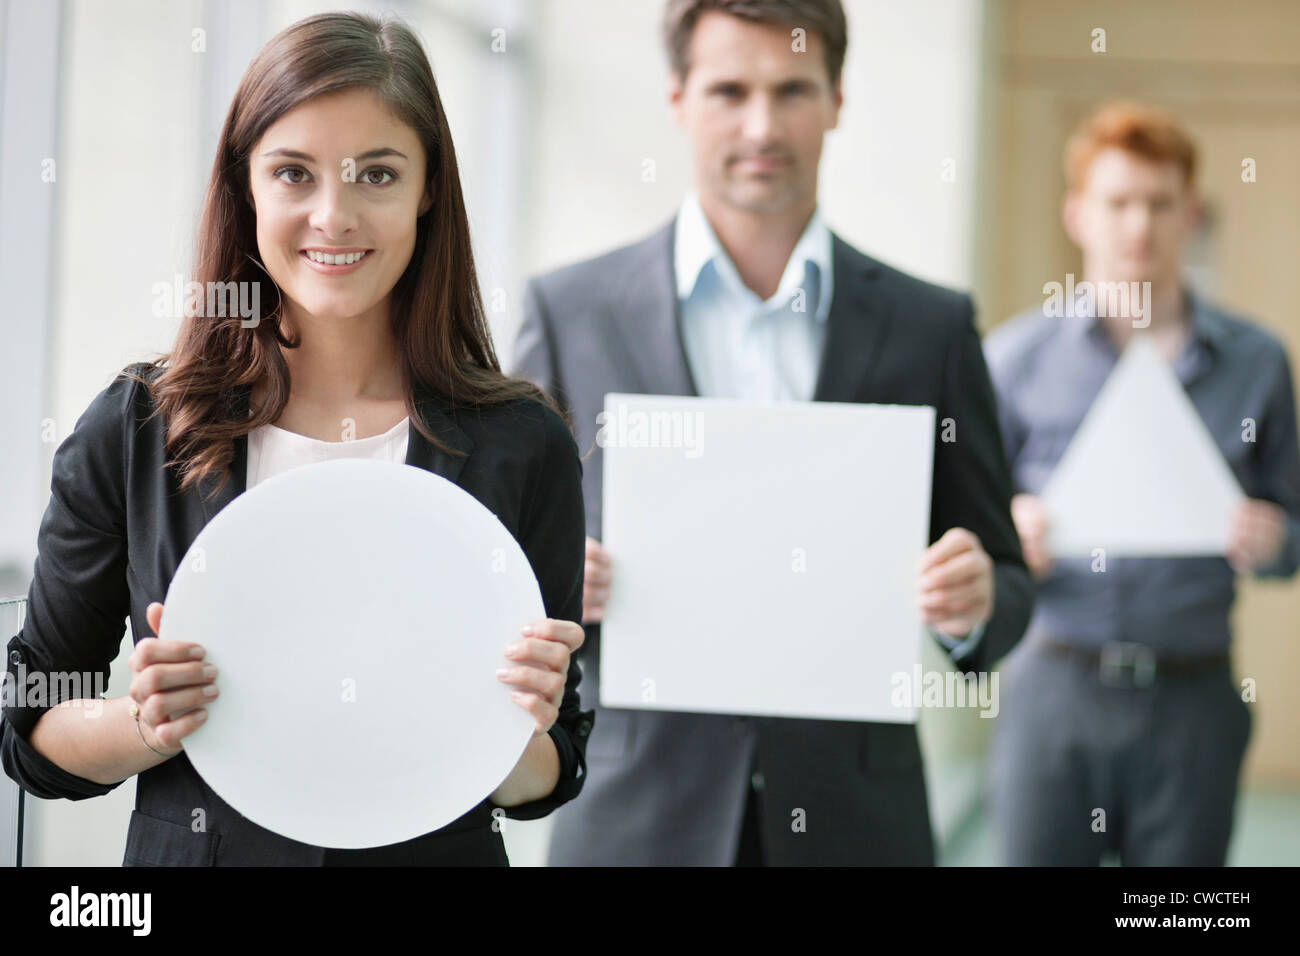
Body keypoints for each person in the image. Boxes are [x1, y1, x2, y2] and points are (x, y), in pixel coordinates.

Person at [0, 11, 592, 867]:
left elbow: (552, 770)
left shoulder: (522, 444)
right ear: (246, 188)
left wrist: (506, 731)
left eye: (376, 175)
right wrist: (144, 722)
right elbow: (29, 733)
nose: (332, 215)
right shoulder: (135, 430)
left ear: (429, 189)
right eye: (293, 173)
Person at [512, 0, 1033, 865]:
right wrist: (562, 587)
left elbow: (1008, 582)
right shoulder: (571, 313)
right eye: (729, 90)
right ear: (678, 99)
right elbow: (504, 575)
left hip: (856, 820)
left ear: (836, 100)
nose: (761, 125)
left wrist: (975, 603)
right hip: (638, 814)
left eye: (792, 90)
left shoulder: (928, 327)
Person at [983, 101, 1300, 865]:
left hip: (1192, 697)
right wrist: (1006, 533)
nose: (1138, 226)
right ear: (1076, 215)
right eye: (1117, 202)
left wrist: (1275, 537)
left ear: (1191, 216)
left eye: (1159, 204)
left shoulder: (1255, 362)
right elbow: (959, 530)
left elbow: (1295, 532)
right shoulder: (1016, 357)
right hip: (1053, 686)